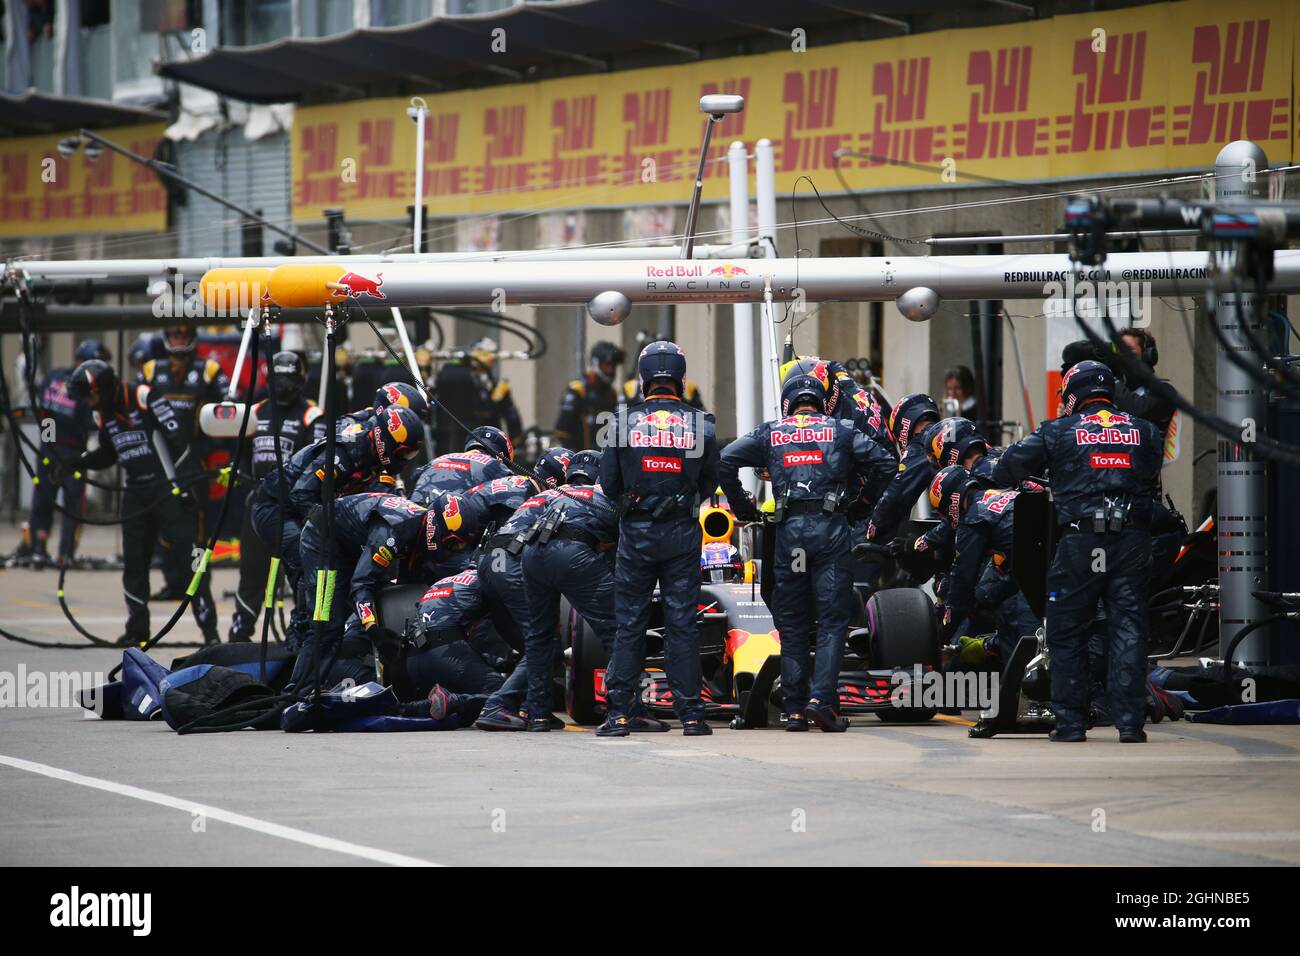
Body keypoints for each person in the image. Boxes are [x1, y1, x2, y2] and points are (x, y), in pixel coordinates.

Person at [992, 360, 1162, 743]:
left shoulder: (1058, 431)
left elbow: (1006, 468)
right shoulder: (1146, 431)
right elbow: (1149, 478)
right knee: (1129, 628)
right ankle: (1131, 725)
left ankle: (1069, 724)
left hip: (1081, 541)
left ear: (1072, 394)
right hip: (1131, 540)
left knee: (1068, 631)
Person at [719, 373, 896, 731]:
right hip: (829, 531)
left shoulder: (771, 431)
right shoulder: (842, 429)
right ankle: (822, 702)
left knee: (793, 622)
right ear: (821, 401)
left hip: (789, 536)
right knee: (832, 621)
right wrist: (861, 502)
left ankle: (794, 710)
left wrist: (742, 508)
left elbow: (724, 461)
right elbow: (887, 463)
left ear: (789, 403)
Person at [598, 341, 719, 737]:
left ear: (642, 378)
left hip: (636, 535)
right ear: (681, 380)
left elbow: (608, 485)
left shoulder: (618, 423)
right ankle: (692, 717)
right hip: (682, 535)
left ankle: (618, 715)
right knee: (682, 623)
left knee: (629, 623)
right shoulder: (703, 424)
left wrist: (636, 504)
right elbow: (709, 482)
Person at [66, 359, 220, 645]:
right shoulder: (103, 414)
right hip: (135, 495)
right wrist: (76, 462)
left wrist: (186, 485)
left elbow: (179, 438)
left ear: (107, 387)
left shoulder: (144, 397)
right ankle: (137, 631)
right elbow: (108, 453)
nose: (89, 402)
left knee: (191, 561)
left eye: (91, 395)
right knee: (134, 564)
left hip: (169, 490)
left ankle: (210, 632)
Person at [251, 403, 423, 651]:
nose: (405, 461)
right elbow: (302, 494)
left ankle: (334, 638)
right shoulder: (347, 451)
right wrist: (331, 534)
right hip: (276, 507)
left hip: (308, 510)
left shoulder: (375, 455)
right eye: (404, 453)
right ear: (388, 442)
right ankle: (301, 640)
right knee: (311, 562)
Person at [291, 489, 486, 691]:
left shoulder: (419, 535)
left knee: (383, 603)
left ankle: (353, 673)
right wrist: (374, 631)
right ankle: (298, 691)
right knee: (328, 622)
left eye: (462, 547)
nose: (456, 552)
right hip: (322, 541)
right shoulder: (395, 532)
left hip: (352, 547)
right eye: (454, 544)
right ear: (435, 530)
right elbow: (361, 584)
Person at [227, 352, 325, 643]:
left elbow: (316, 464)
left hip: (294, 509)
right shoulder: (254, 411)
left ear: (301, 379)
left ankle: (302, 633)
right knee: (251, 574)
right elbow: (240, 459)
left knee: (299, 572)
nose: (283, 385)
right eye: (278, 377)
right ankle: (240, 634)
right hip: (258, 503)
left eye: (289, 378)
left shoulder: (312, 415)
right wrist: (248, 486)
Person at [519, 451, 620, 732]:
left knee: (539, 635)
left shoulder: (546, 495)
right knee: (621, 627)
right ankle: (624, 710)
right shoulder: (605, 494)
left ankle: (537, 713)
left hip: (531, 553)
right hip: (573, 552)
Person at [472, 457, 572, 731]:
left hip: (484, 563)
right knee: (544, 643)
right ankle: (498, 705)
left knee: (533, 646)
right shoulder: (546, 495)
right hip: (509, 564)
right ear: (556, 481)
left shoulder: (511, 487)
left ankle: (532, 706)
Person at [137, 324, 230, 600]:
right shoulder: (151, 370)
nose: (179, 340)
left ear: (192, 338)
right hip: (159, 463)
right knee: (163, 529)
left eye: (184, 335)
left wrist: (208, 447)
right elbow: (135, 409)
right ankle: (173, 583)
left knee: (196, 532)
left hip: (194, 465)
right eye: (174, 334)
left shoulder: (209, 371)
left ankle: (198, 587)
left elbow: (227, 412)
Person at [11, 339, 105, 568]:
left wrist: (50, 444)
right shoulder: (85, 386)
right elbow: (90, 423)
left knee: (43, 498)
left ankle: (38, 549)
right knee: (73, 506)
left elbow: (47, 412)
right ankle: (65, 554)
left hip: (48, 449)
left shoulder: (53, 377)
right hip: (72, 453)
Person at [928, 466, 1037, 662]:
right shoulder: (1002, 493)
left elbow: (962, 580)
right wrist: (986, 598)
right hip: (1063, 557)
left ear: (951, 503)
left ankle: (1022, 687)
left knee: (1010, 614)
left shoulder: (973, 519)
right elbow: (1021, 567)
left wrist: (943, 631)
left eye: (942, 513)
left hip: (1044, 571)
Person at [865, 392, 941, 543]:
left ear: (903, 426)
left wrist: (872, 535)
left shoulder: (921, 445)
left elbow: (894, 498)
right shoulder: (957, 430)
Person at [432, 338, 523, 456]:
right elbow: (483, 410)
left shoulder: (492, 382)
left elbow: (510, 416)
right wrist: (495, 398)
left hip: (483, 441)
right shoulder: (462, 377)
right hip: (463, 437)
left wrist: (515, 440)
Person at [409, 425, 514, 506]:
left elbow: (415, 476)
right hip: (452, 525)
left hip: (416, 518)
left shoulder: (438, 459)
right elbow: (519, 488)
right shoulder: (495, 465)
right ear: (501, 456)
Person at [554, 341, 624, 448]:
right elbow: (562, 430)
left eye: (614, 366)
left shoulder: (612, 394)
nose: (611, 370)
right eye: (607, 365)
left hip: (602, 458)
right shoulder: (578, 390)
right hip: (579, 458)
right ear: (596, 363)